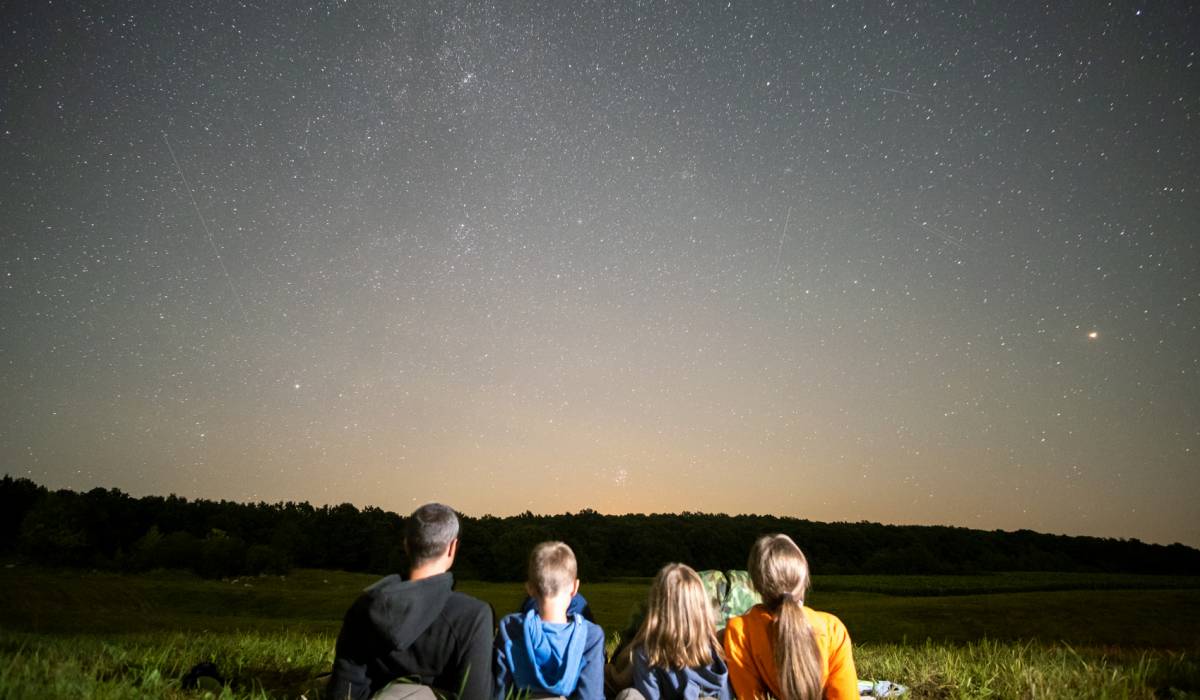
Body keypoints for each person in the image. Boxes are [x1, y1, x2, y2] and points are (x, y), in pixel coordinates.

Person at [328, 503, 493, 700]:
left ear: (406, 544)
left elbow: (343, 689)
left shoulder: (365, 606)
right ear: (452, 547)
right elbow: (475, 695)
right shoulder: (473, 615)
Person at [723, 534, 858, 700]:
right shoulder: (833, 628)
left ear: (757, 585)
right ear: (803, 580)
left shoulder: (740, 630)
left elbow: (749, 695)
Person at [494, 541, 605, 700]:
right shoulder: (591, 636)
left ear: (530, 588)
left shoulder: (511, 628)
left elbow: (500, 691)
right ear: (575, 587)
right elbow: (591, 696)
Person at [612, 563, 731, 700]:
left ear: (657, 606)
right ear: (702, 608)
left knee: (629, 696)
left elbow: (650, 696)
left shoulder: (645, 653)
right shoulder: (713, 647)